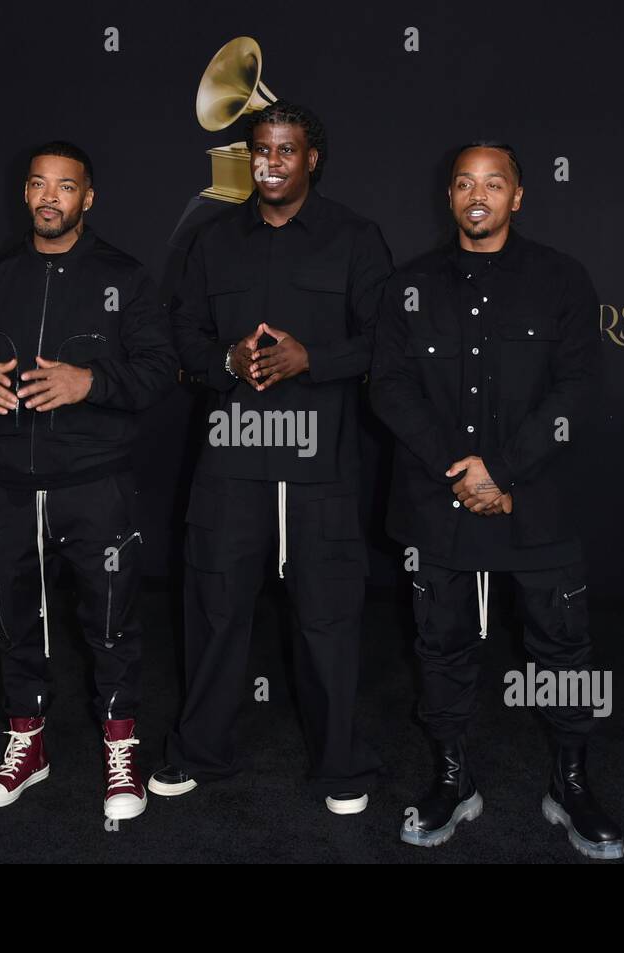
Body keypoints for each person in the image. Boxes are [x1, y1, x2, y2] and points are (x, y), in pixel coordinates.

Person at [369, 142, 624, 858]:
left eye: (493, 183)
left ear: (518, 196)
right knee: (440, 644)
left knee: (564, 648)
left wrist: (503, 471)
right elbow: (389, 386)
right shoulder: (407, 286)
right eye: (462, 183)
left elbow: (578, 388)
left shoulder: (562, 279)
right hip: (436, 500)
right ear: (448, 196)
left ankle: (571, 782)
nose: (476, 195)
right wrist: (464, 470)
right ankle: (453, 778)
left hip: (538, 500)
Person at [150, 101, 391, 815]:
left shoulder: (355, 238)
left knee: (328, 615)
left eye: (287, 150)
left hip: (321, 465)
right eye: (261, 149)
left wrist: (313, 357)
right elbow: (182, 338)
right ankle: (201, 748)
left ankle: (340, 760)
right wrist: (224, 359)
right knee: (216, 609)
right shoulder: (212, 240)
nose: (272, 162)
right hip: (229, 465)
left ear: (311, 157)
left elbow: (388, 341)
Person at [0, 141, 177, 819]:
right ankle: (28, 743)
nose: (50, 197)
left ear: (88, 197)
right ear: (25, 194)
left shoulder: (126, 277)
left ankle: (120, 747)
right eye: (39, 185)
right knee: (15, 622)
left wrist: (90, 382)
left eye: (65, 186)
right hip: (9, 482)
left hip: (96, 484)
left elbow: (159, 370)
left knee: (110, 622)